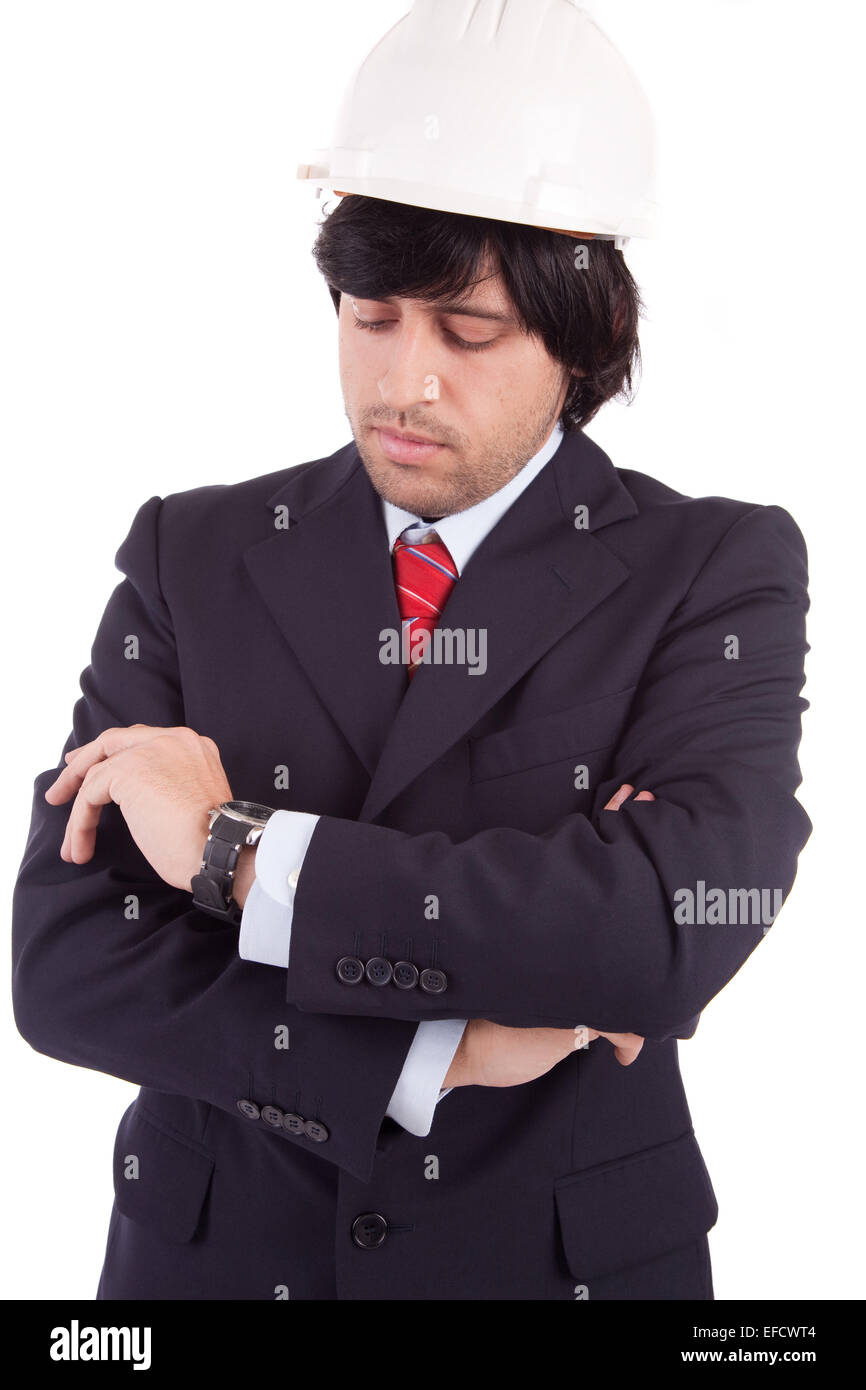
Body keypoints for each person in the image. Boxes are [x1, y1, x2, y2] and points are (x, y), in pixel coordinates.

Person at [11, 0, 811, 1300]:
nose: (404, 382)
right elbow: (68, 966)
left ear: (581, 342)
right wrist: (428, 1051)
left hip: (557, 1268)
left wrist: (235, 846)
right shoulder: (193, 552)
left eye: (467, 332)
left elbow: (665, 931)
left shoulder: (709, 568)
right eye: (370, 316)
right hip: (212, 1263)